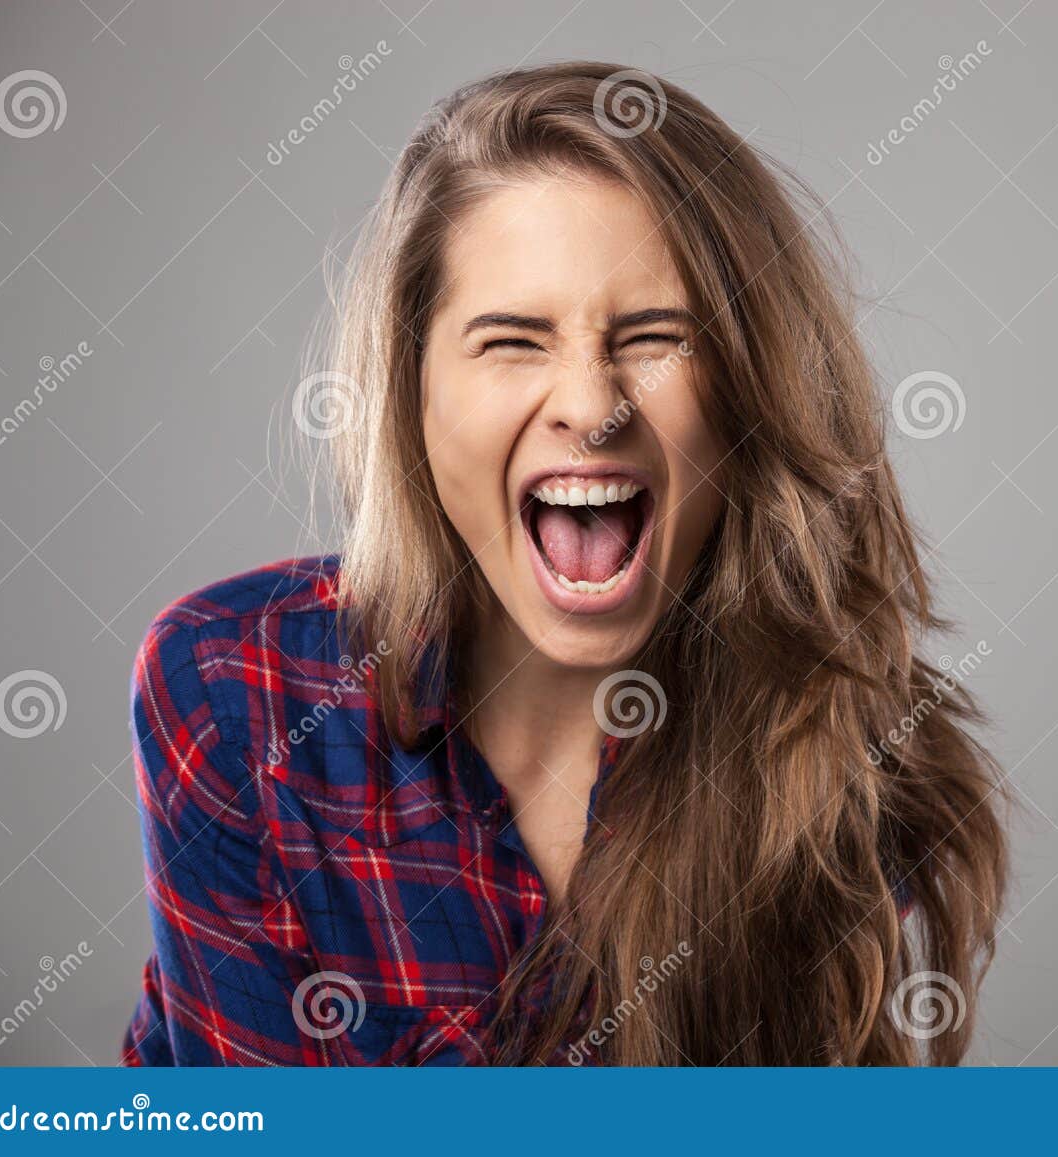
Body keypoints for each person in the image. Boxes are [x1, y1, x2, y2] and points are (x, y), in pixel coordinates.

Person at [122, 61, 1006, 1066]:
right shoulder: (238, 690)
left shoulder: (841, 739)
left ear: (748, 401)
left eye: (656, 338)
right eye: (511, 340)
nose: (592, 406)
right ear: (417, 397)